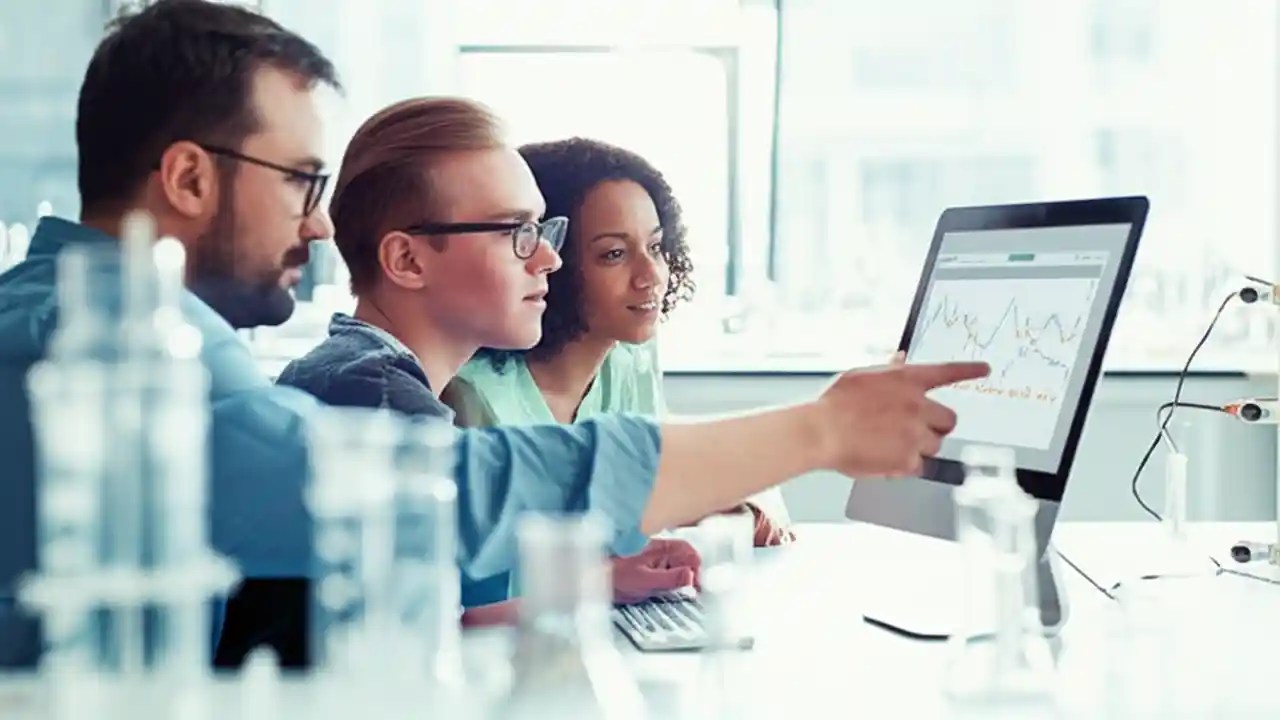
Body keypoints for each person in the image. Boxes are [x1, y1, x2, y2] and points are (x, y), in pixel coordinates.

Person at [0, 0, 985, 670]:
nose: (315, 224)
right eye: (302, 182)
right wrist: (815, 432)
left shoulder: (102, 321)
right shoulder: (108, 344)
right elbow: (432, 492)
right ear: (186, 179)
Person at [444, 137, 792, 547]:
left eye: (656, 247)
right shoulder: (471, 395)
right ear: (552, 260)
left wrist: (725, 509)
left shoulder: (632, 356)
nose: (651, 276)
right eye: (613, 254)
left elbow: (657, 479)